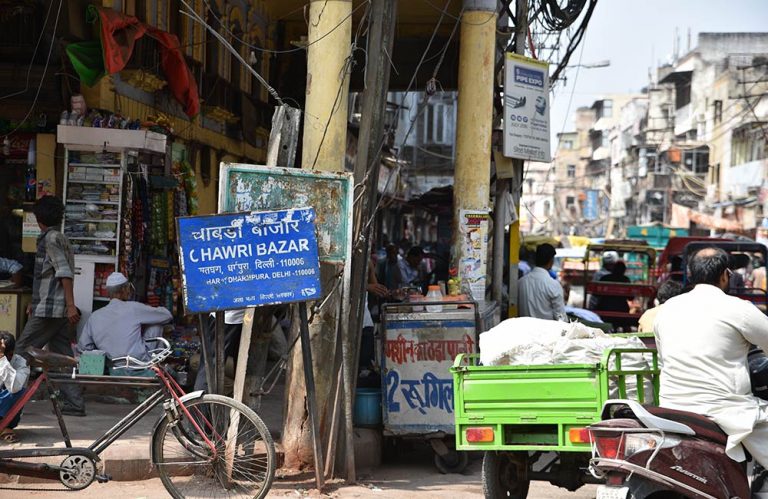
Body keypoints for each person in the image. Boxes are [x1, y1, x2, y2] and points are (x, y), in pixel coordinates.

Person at [654, 246, 768, 471]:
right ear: (726, 275)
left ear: (691, 273)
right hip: (725, 409)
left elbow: (662, 357)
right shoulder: (739, 309)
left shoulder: (666, 310)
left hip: (673, 407)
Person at [15, 196, 85, 417]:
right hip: (53, 309)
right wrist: (36, 304)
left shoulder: (51, 239)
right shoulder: (60, 237)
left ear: (39, 218)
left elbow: (63, 273)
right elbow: (49, 277)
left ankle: (12, 401)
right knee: (62, 355)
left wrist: (71, 305)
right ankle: (75, 403)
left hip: (52, 310)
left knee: (21, 349)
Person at [77, 272, 173, 372]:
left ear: (108, 292)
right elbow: (167, 315)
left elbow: (83, 347)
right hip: (138, 362)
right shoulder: (134, 308)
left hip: (111, 364)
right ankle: (156, 365)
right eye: (128, 287)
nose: (129, 291)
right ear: (123, 289)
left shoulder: (95, 316)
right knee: (156, 324)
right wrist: (147, 313)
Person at [518, 243, 567, 321]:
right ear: (551, 261)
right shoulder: (553, 285)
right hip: (547, 332)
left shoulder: (521, 283)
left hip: (525, 331)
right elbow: (561, 317)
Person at [0, 332, 29, 443]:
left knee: (18, 390)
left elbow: (14, 388)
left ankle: (4, 426)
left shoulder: (21, 363)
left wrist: (2, 359)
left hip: (9, 414)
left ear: (11, 354)